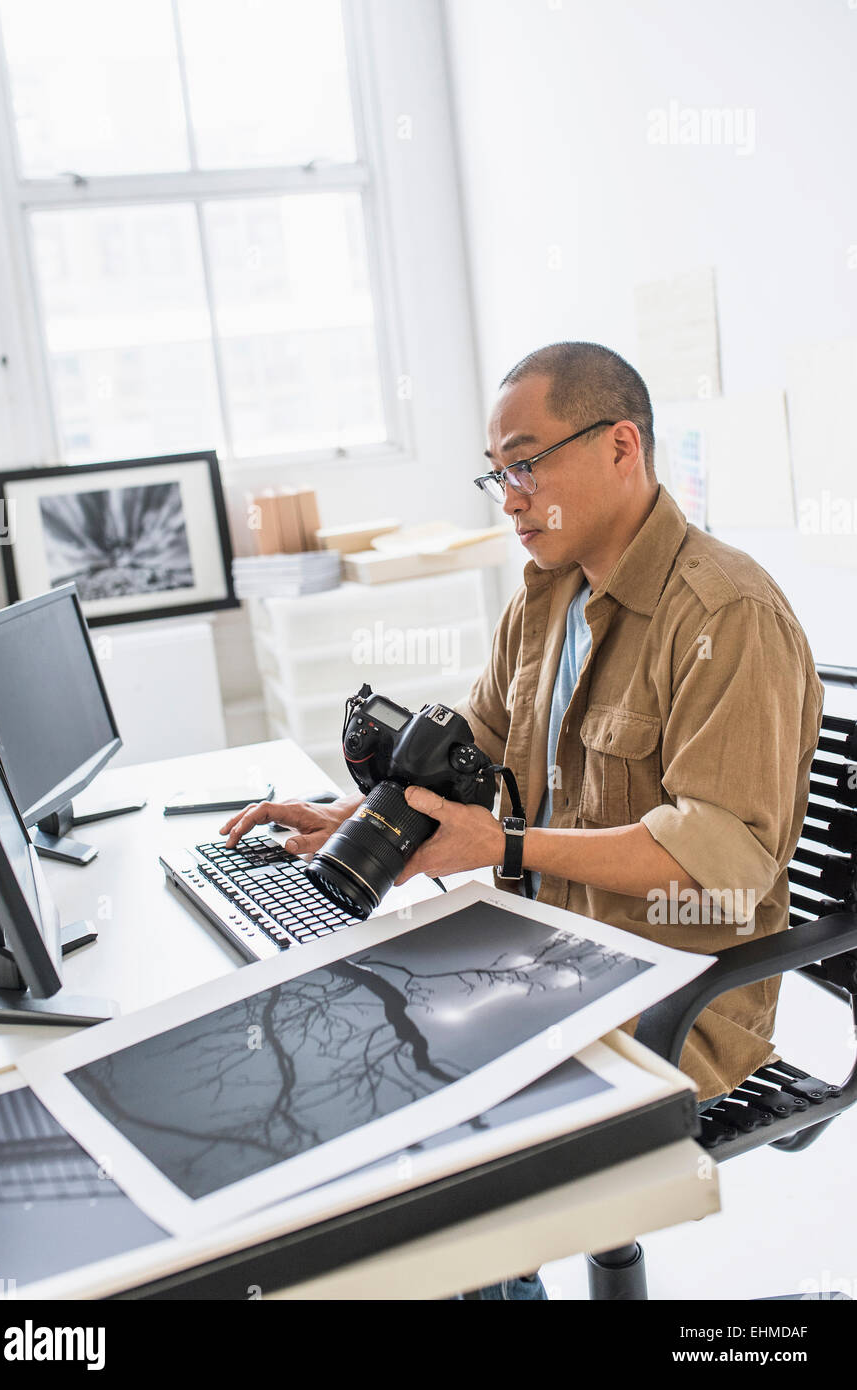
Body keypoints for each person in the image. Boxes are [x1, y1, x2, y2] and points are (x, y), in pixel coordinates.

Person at [222, 341, 824, 1301]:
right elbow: (481, 760)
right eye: (497, 469)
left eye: (526, 459)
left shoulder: (727, 613)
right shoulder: (544, 603)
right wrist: (352, 816)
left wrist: (500, 846)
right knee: (331, 1034)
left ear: (621, 445)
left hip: (684, 998)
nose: (506, 493)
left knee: (402, 1115)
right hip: (544, 957)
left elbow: (726, 860)